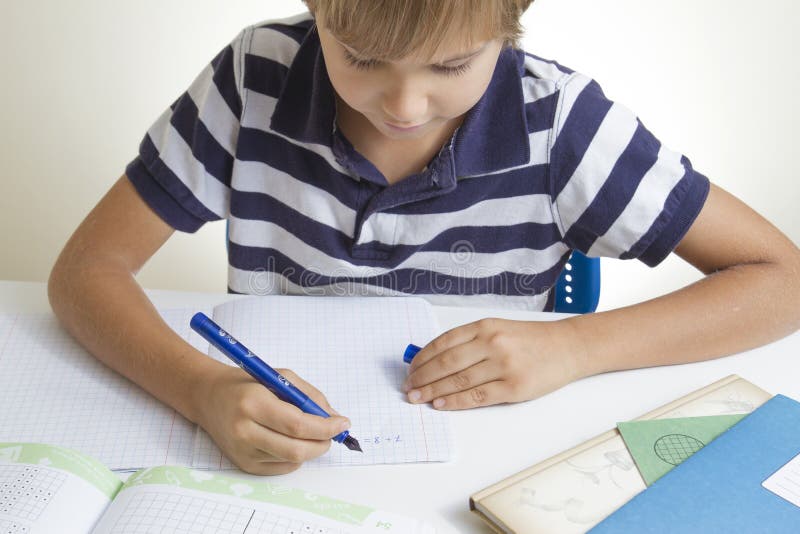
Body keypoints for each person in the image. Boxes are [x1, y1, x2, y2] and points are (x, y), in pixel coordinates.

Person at [48, 0, 800, 475]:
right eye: (363, 58)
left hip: (486, 460)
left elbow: (781, 278)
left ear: (511, 19)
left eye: (451, 64)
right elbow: (86, 271)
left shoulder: (561, 123)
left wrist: (576, 346)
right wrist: (201, 388)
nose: (404, 104)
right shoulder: (254, 81)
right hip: (284, 456)